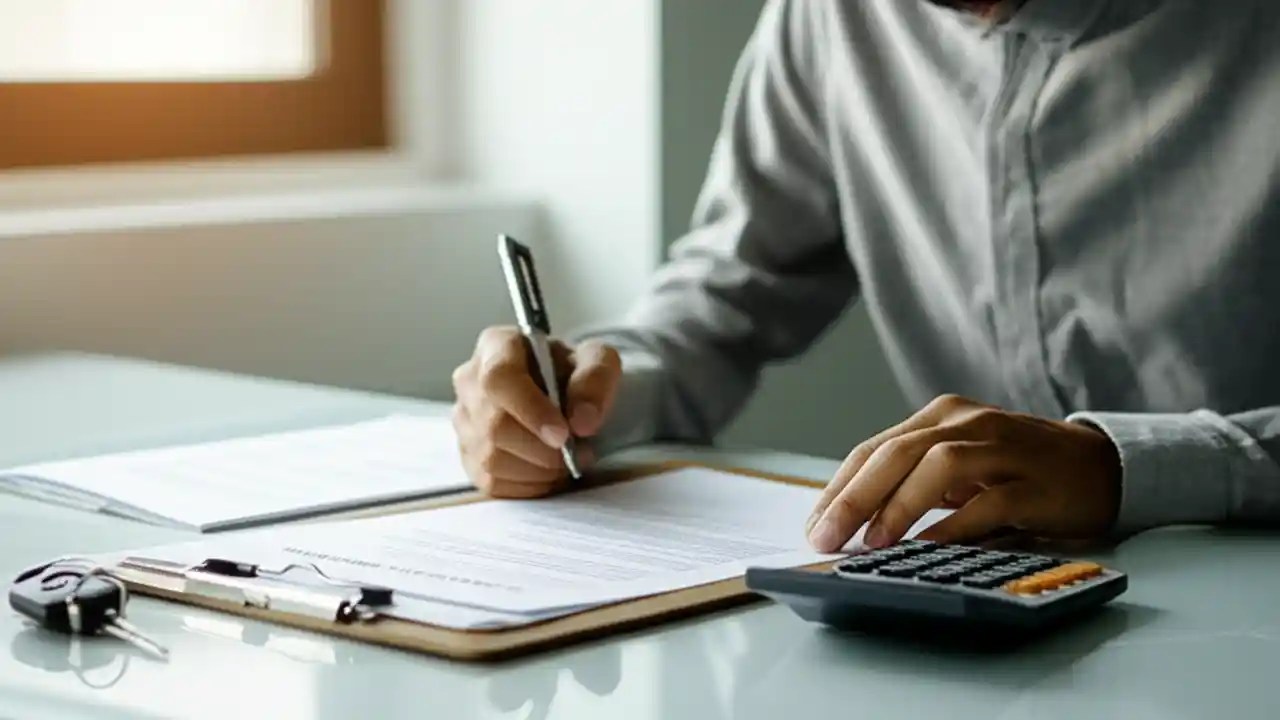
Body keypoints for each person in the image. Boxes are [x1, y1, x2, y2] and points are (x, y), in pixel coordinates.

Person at [451, 0, 1280, 552]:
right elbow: (722, 296)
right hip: (977, 614)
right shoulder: (835, 15)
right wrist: (584, 402)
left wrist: (1123, 466)